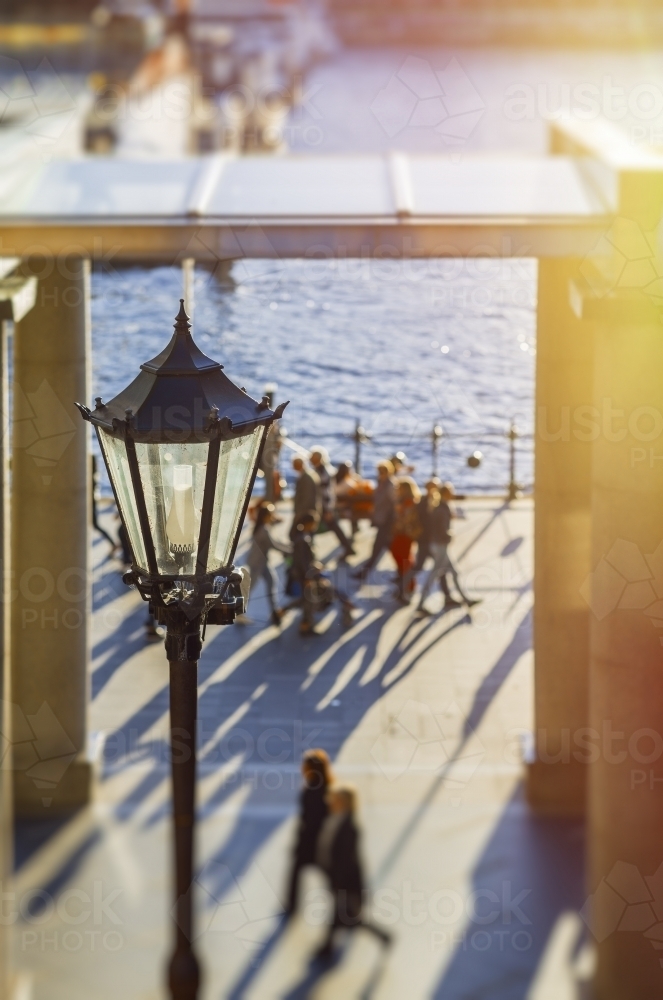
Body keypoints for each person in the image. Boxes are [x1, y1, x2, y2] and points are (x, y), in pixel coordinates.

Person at [315, 784, 391, 959]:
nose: (331, 802)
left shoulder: (349, 828)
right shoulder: (337, 821)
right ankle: (382, 937)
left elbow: (347, 862)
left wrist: (338, 883)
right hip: (342, 882)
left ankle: (327, 949)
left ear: (345, 803)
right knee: (345, 918)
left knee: (345, 917)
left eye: (336, 800)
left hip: (346, 884)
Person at [417, 482, 480, 614]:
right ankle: (421, 604)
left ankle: (466, 599)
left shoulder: (439, 506)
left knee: (453, 572)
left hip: (438, 545)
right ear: (446, 493)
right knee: (434, 574)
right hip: (440, 545)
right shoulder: (442, 508)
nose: (453, 494)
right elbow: (441, 529)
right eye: (451, 491)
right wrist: (449, 535)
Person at [285, 749, 333, 915]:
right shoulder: (326, 786)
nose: (301, 768)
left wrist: (301, 840)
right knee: (332, 876)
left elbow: (309, 819)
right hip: (324, 841)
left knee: (296, 873)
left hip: (311, 841)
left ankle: (292, 905)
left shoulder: (312, 790)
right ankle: (344, 906)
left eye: (304, 765)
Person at [292, 511, 355, 635]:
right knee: (310, 601)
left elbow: (307, 560)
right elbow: (302, 562)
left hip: (311, 576)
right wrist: (309, 577)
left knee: (309, 601)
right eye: (314, 523)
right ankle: (304, 627)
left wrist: (316, 567)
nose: (315, 526)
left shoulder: (304, 537)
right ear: (308, 524)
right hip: (308, 577)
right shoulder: (302, 540)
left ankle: (301, 624)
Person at [245, 503, 291, 627]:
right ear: (266, 516)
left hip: (261, 563)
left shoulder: (263, 527)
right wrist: (289, 550)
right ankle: (239, 612)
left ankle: (274, 612)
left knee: (271, 583)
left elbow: (275, 541)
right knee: (250, 588)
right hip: (257, 563)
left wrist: (288, 547)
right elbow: (273, 545)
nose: (273, 516)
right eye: (271, 514)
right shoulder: (263, 530)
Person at [351, 460, 396, 580]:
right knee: (388, 547)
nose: (380, 474)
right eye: (379, 472)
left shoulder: (389, 485)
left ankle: (364, 573)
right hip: (381, 520)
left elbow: (394, 504)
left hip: (386, 522)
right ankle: (403, 572)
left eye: (382, 472)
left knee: (378, 547)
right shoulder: (381, 483)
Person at [310, 447, 354, 558]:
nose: (310, 459)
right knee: (333, 527)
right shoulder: (321, 470)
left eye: (313, 458)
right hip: (323, 506)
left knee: (330, 527)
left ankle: (348, 548)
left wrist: (328, 509)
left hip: (324, 507)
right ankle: (348, 548)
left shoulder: (323, 472)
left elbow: (327, 493)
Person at [390, 477, 422, 602]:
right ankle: (404, 582)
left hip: (406, 534)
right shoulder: (402, 500)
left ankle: (408, 585)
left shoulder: (409, 501)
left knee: (405, 560)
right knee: (400, 556)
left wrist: (400, 511)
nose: (397, 490)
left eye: (399, 488)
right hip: (400, 533)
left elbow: (406, 519)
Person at [290, 456, 321, 540]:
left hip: (306, 511)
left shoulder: (307, 477)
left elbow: (308, 497)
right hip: (307, 510)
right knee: (305, 535)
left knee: (297, 534)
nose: (292, 467)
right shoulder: (307, 475)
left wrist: (300, 513)